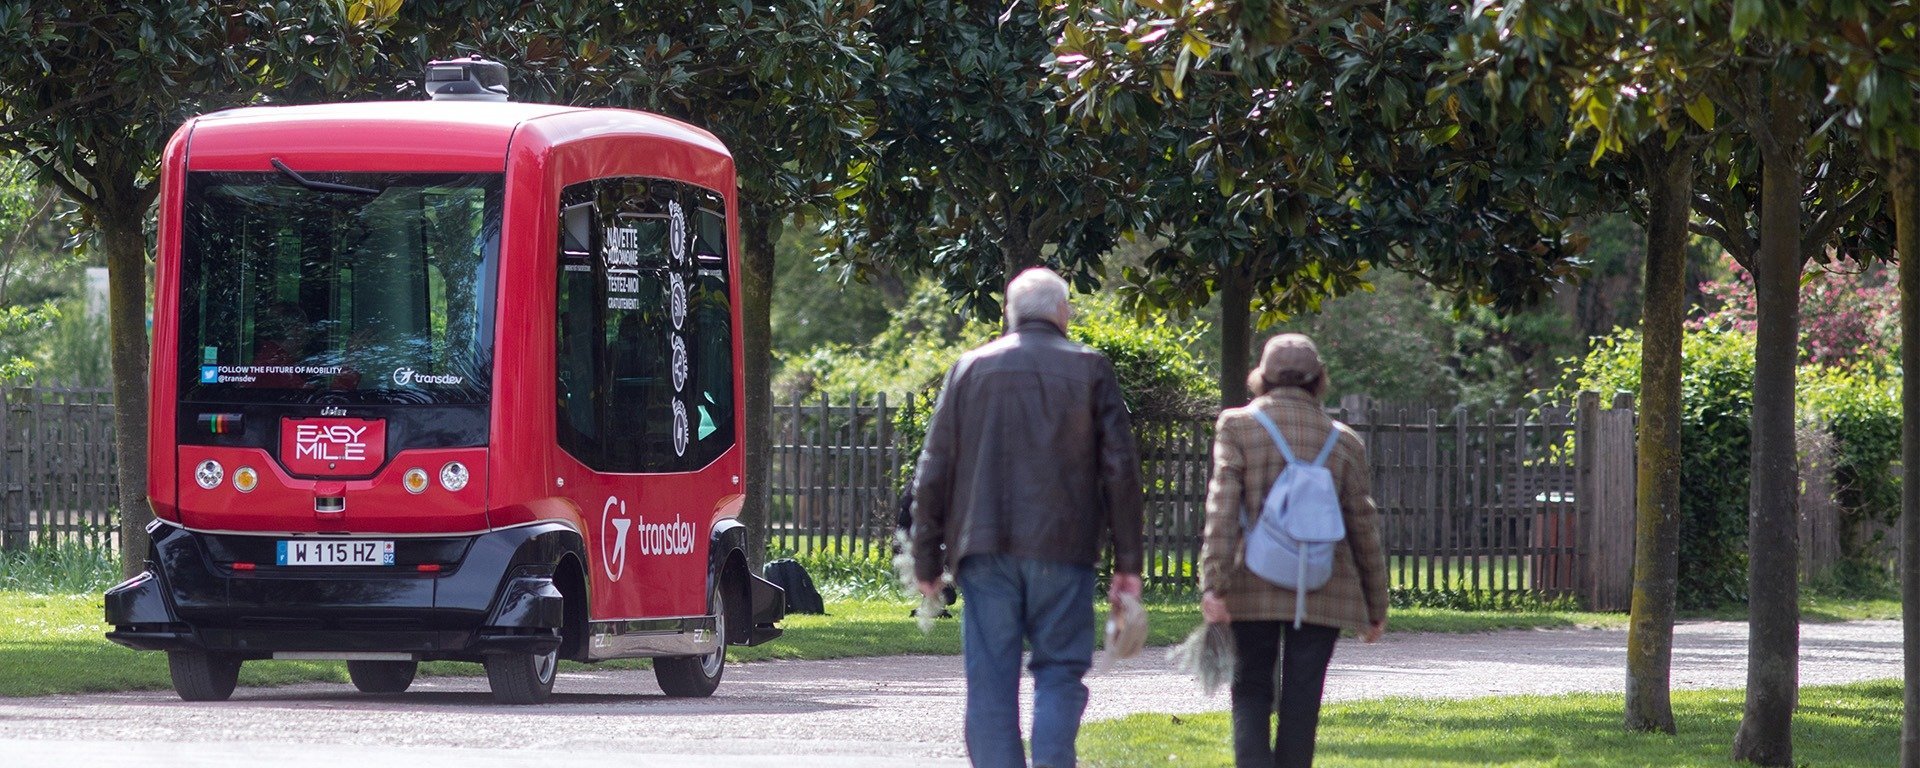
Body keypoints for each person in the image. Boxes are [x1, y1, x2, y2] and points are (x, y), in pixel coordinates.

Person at [910, 266, 1145, 768]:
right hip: (1066, 547)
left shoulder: (970, 368)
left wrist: (926, 560)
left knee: (990, 679)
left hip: (984, 549)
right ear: (1063, 312)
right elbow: (1121, 470)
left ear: (1009, 314)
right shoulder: (1091, 368)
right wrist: (1128, 563)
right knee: (1060, 670)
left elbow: (933, 470)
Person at [1199, 333, 1388, 768]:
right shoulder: (1344, 441)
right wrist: (1375, 606)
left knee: (1249, 691)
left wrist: (1214, 582)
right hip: (1324, 586)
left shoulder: (1237, 425)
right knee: (1303, 703)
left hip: (1251, 583)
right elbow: (1364, 527)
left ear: (1260, 378)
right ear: (1319, 379)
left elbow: (1222, 508)